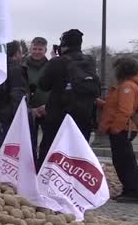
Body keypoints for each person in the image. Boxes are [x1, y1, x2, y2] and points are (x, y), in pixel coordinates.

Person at [37, 29, 101, 169]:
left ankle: (45, 178)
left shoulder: (58, 62)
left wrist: (54, 60)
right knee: (79, 152)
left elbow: (43, 84)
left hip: (59, 115)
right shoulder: (89, 60)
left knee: (51, 148)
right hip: (84, 115)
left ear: (63, 44)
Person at [97, 57, 138, 203]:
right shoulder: (128, 85)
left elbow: (125, 111)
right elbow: (116, 107)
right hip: (124, 128)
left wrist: (116, 128)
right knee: (123, 159)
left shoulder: (127, 86)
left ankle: (134, 191)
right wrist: (101, 103)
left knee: (124, 160)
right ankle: (130, 189)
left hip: (123, 129)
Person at [22, 36, 50, 159]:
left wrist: (48, 105)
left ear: (45, 50)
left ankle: (43, 166)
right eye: (35, 49)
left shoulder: (51, 66)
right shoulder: (22, 66)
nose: (37, 52)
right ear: (30, 49)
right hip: (28, 110)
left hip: (47, 109)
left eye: (40, 49)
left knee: (48, 141)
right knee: (28, 142)